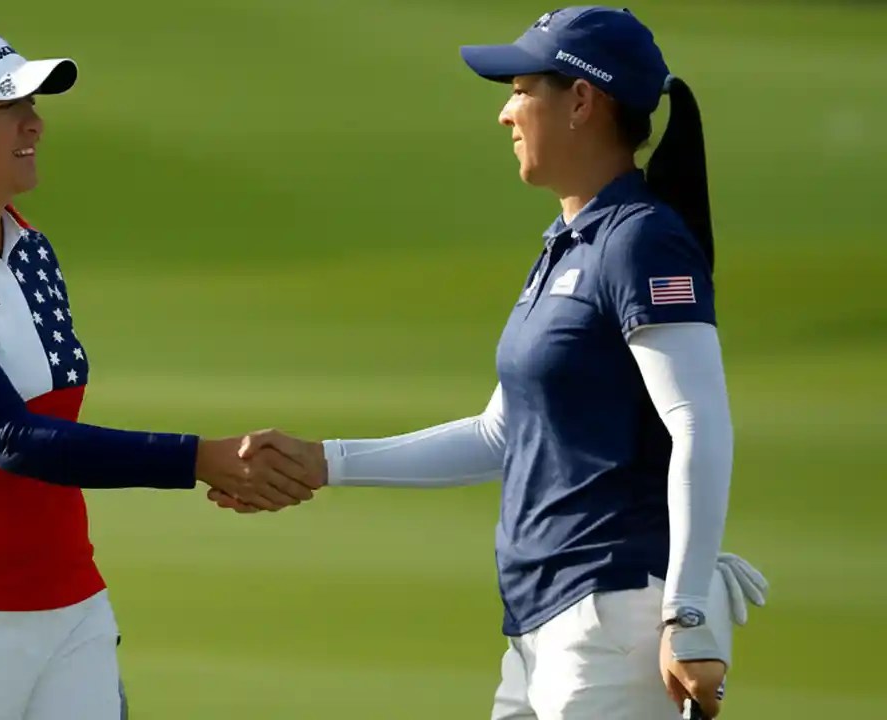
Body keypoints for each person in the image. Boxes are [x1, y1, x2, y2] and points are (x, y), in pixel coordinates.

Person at [210, 6, 769, 719]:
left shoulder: (642, 241)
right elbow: (502, 435)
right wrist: (327, 461)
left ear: (580, 101)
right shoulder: (569, 243)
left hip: (614, 617)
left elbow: (699, 423)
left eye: (521, 89)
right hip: (541, 629)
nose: (505, 114)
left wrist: (686, 612)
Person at [0, 23, 324, 720]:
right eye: (6, 107)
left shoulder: (29, 250)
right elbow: (8, 436)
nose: (34, 124)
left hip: (66, 609)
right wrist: (199, 459)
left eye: (34, 105)